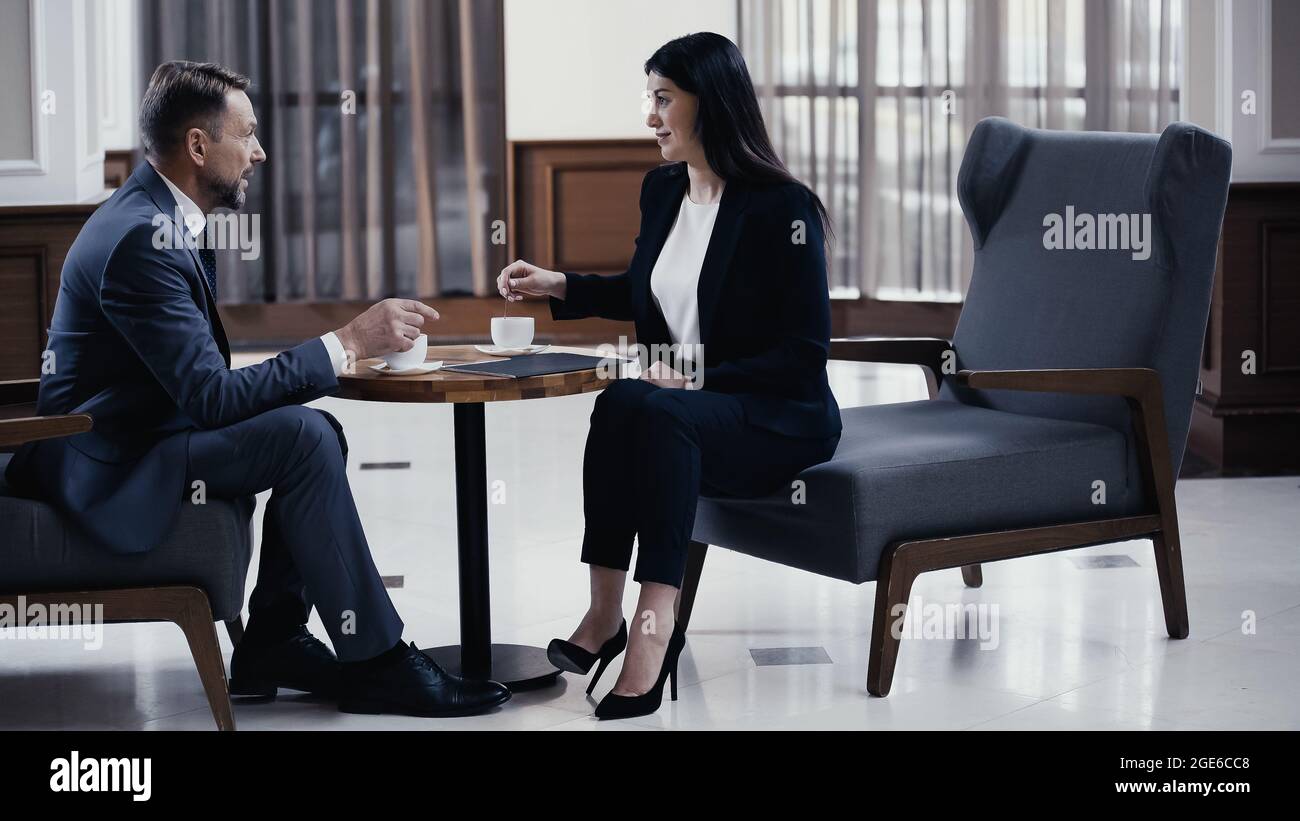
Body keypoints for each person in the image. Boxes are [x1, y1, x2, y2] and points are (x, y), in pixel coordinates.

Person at [5, 61, 510, 718]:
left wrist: (334, 351)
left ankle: (275, 637)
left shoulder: (155, 216)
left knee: (314, 431)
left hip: (140, 436)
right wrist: (346, 342)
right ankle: (379, 661)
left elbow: (196, 385)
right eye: (246, 134)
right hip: (107, 463)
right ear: (197, 146)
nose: (260, 151)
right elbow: (210, 398)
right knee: (303, 435)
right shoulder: (140, 238)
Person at [496, 33, 842, 720]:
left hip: (777, 417)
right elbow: (647, 290)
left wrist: (698, 377)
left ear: (709, 102)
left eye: (663, 99)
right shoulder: (663, 190)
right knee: (622, 399)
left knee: (656, 409)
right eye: (649, 99)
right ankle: (604, 615)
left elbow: (804, 353)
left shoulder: (783, 209)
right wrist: (560, 284)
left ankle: (653, 631)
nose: (651, 116)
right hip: (688, 406)